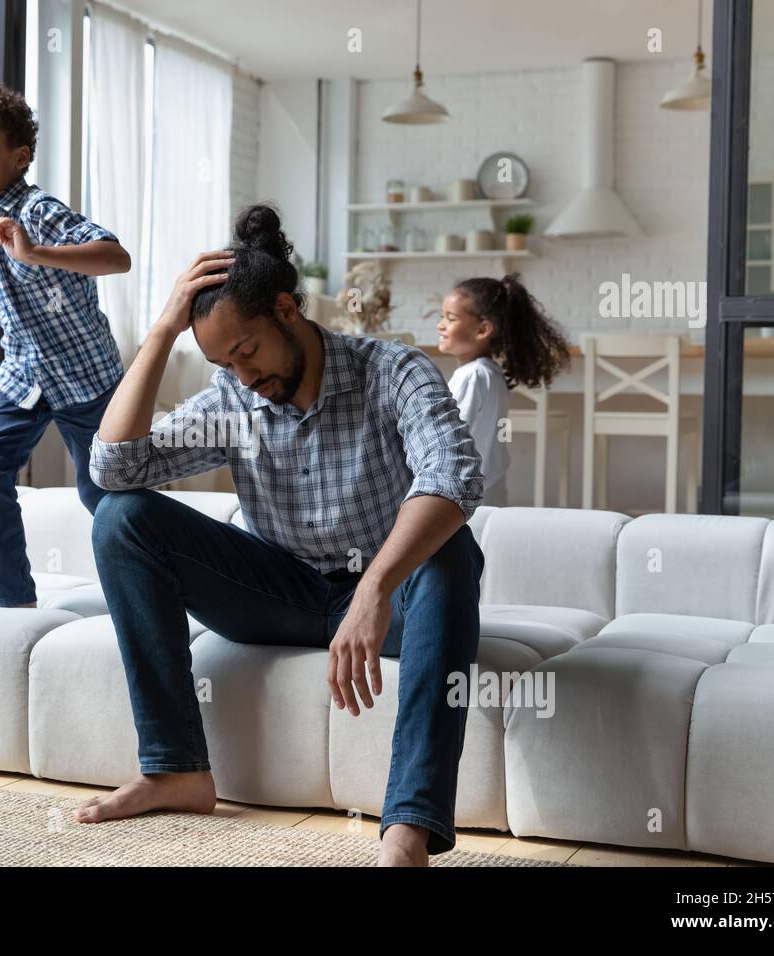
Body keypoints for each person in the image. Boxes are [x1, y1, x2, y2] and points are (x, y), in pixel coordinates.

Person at [81, 203, 486, 867]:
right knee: (121, 518)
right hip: (281, 594)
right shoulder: (237, 399)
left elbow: (454, 477)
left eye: (247, 351)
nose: (245, 377)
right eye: (223, 363)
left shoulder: (394, 371)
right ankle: (175, 770)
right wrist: (160, 332)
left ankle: (407, 831)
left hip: (391, 602)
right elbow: (115, 469)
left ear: (288, 312)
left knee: (450, 553)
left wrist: (375, 587)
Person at [0, 81, 131, 608]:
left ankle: (149, 590)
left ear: (19, 155)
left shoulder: (38, 210)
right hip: (23, 378)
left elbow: (115, 257)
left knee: (103, 495)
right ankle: (14, 603)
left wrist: (37, 254)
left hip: (87, 378)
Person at [437, 274, 571, 506]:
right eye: (442, 317)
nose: (441, 325)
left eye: (451, 318)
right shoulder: (490, 372)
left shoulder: (472, 376)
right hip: (491, 490)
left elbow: (447, 437)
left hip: (465, 498)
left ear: (482, 329)